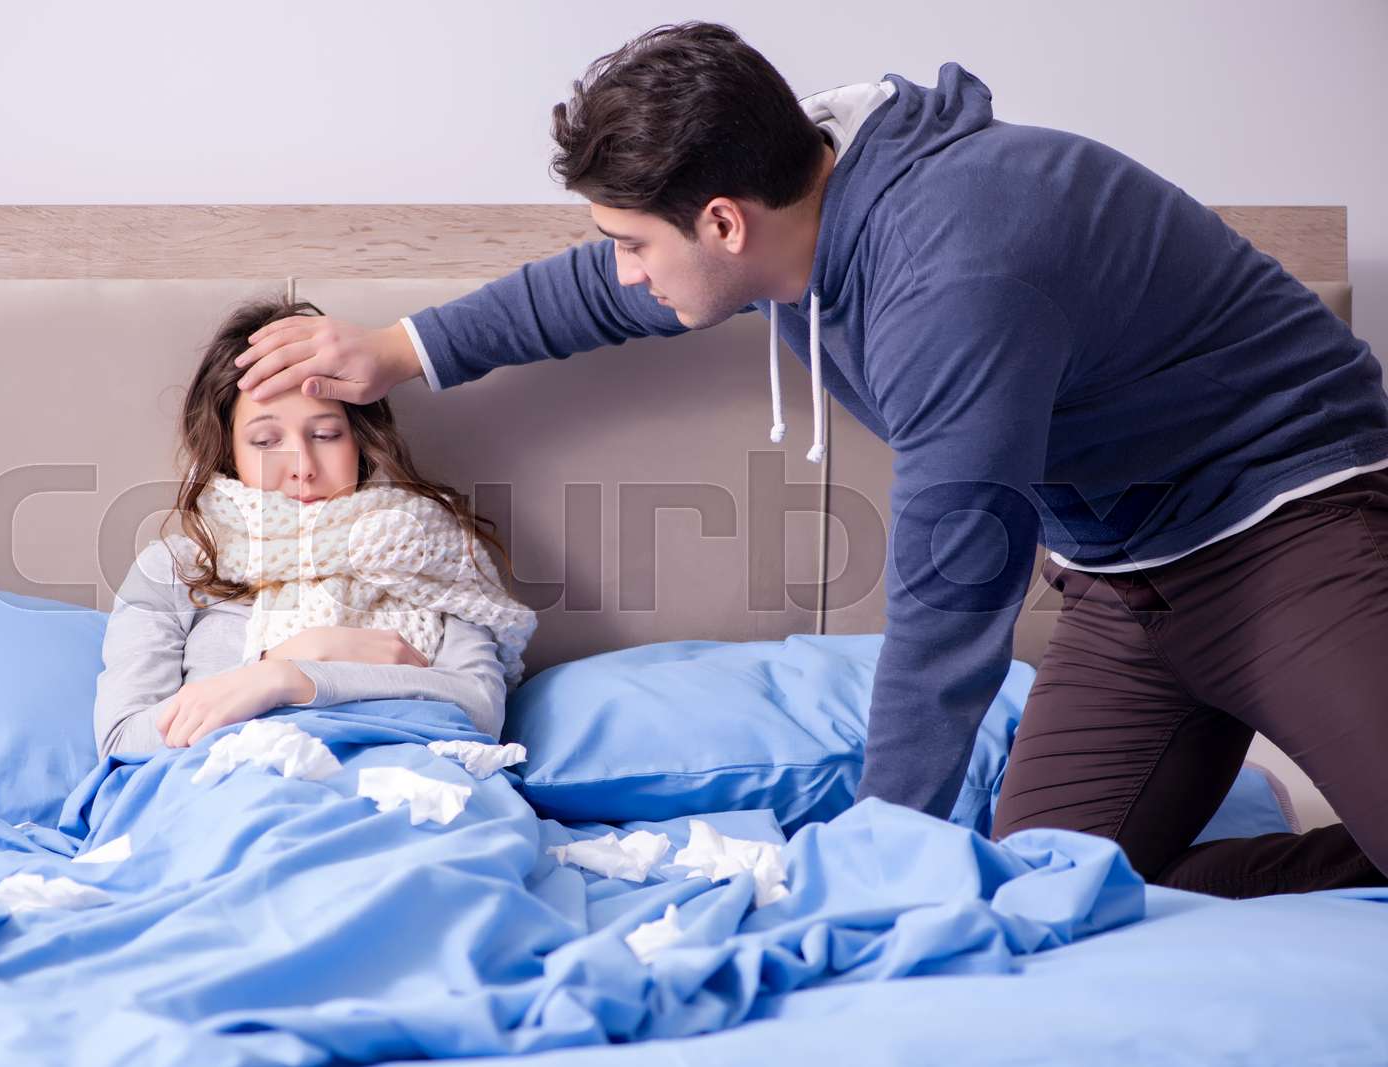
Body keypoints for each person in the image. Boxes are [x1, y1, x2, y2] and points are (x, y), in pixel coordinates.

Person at [230, 23, 1388, 897]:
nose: (621, 267)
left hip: (1289, 526)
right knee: (1055, 892)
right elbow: (602, 292)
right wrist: (396, 350)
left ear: (722, 222)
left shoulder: (955, 270)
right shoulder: (796, 200)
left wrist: (877, 845)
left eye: (631, 242)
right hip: (1128, 578)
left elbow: (950, 592)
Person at [93, 298, 535, 759]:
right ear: (228, 451)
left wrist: (295, 679)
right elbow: (123, 739)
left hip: (411, 783)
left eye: (325, 435)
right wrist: (279, 663)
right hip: (229, 790)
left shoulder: (430, 553)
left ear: (360, 441)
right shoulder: (178, 567)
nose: (302, 465)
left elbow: (478, 713)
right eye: (266, 441)